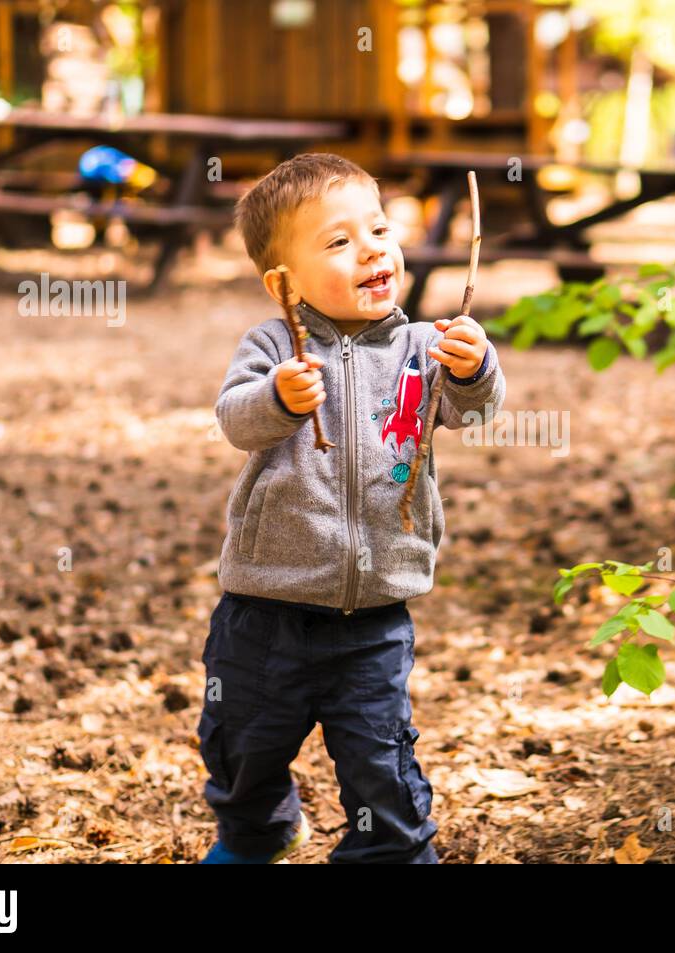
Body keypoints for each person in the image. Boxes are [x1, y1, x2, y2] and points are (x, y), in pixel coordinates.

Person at [197, 152, 505, 864]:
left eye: (378, 229)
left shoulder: (425, 345)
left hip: (373, 622)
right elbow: (236, 421)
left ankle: (389, 852)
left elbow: (476, 410)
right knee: (241, 747)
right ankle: (261, 831)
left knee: (382, 771)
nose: (372, 249)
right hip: (264, 611)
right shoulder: (273, 345)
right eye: (338, 242)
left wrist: (473, 367)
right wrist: (277, 397)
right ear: (283, 281)